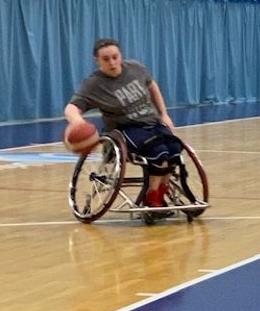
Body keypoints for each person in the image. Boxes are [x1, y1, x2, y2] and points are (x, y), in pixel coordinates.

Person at [64, 38, 183, 218]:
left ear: (120, 55)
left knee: (174, 150)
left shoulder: (135, 68)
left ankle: (160, 193)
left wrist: (164, 114)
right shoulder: (94, 84)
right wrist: (78, 122)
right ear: (97, 60)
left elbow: (152, 86)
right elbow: (71, 108)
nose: (112, 63)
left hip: (153, 123)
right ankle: (152, 198)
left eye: (115, 57)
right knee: (159, 153)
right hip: (126, 129)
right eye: (106, 59)